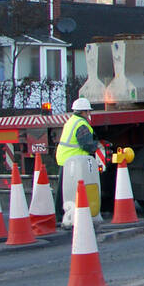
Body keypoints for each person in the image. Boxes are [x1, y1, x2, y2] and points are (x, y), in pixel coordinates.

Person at [57, 97, 101, 228]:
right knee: (75, 189)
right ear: (83, 112)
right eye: (88, 112)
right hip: (74, 161)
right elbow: (86, 145)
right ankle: (67, 214)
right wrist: (97, 146)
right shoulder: (82, 125)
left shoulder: (72, 121)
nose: (89, 114)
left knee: (64, 189)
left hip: (65, 158)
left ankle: (61, 214)